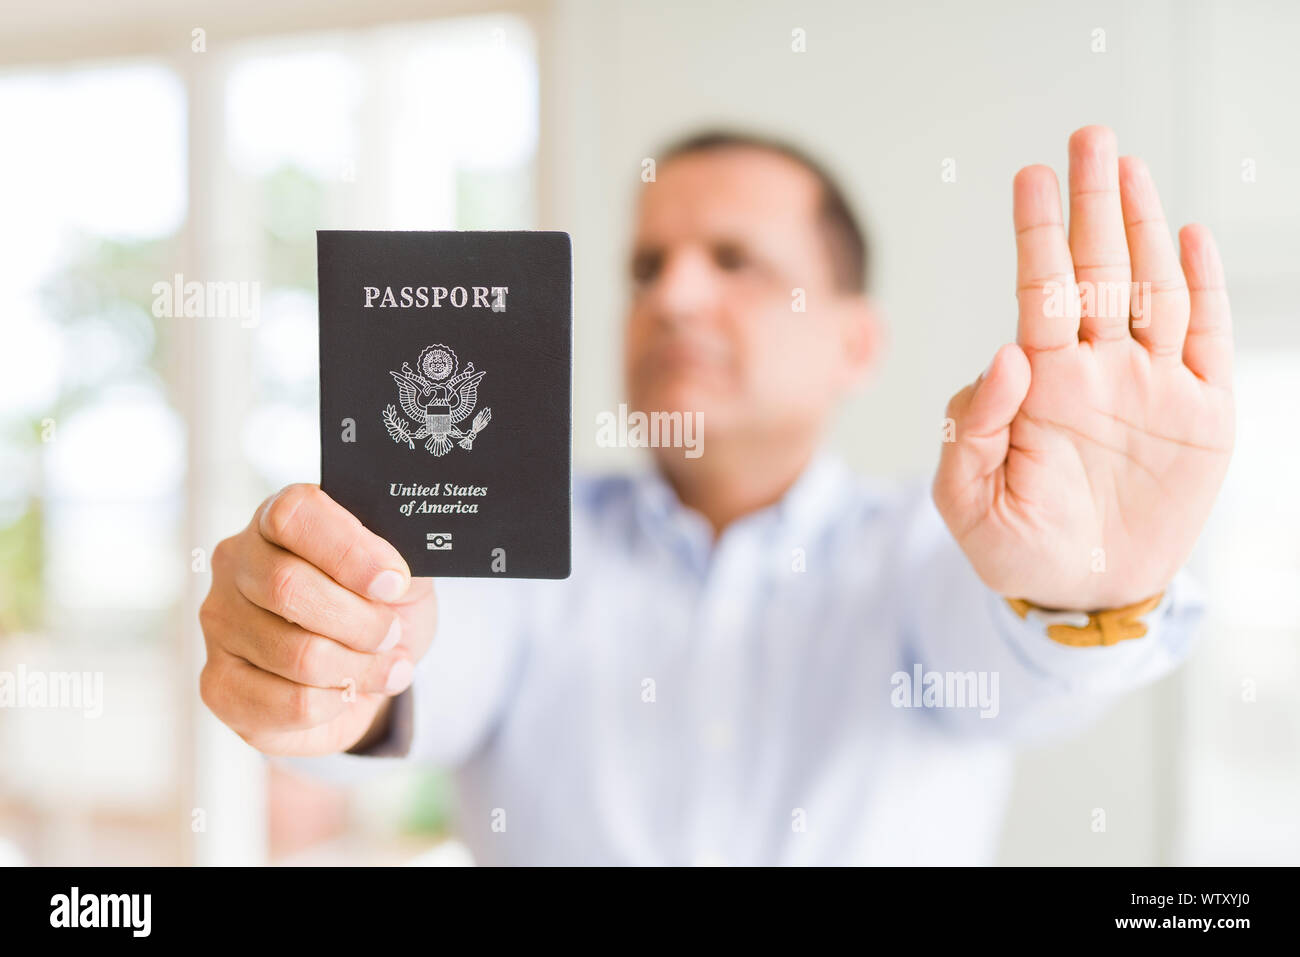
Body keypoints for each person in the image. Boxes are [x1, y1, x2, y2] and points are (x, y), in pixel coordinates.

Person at [198, 125, 1234, 865]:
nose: (672, 295)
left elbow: (1012, 675)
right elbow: (421, 665)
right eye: (647, 265)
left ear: (853, 342)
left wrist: (1088, 585)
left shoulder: (931, 552)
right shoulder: (514, 540)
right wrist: (330, 659)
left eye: (733, 260)